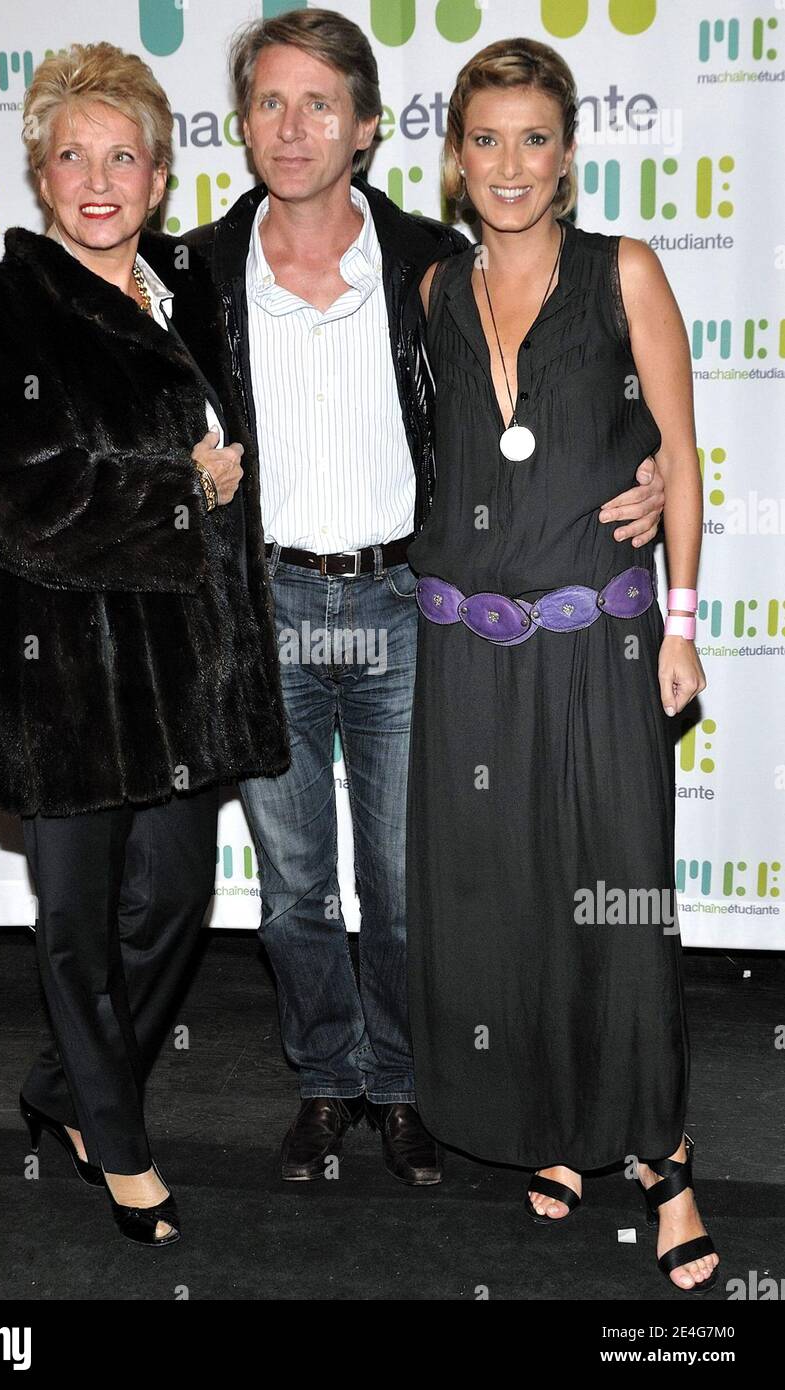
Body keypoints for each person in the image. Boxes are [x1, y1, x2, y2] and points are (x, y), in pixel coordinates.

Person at [145, 9, 666, 1188]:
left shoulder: (434, 259)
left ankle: (400, 1081)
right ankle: (325, 1078)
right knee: (291, 887)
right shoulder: (195, 271)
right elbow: (131, 410)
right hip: (268, 607)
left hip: (402, 604)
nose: (292, 127)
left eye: (318, 103)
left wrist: (647, 470)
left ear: (368, 128)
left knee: (404, 876)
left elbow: (556, 384)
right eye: (270, 103)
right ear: (239, 126)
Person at [0, 41, 289, 1247]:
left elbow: (231, 470)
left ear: (156, 173)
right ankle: (119, 1137)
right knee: (76, 919)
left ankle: (59, 1089)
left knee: (177, 901)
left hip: (183, 670)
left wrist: (219, 496)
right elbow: (24, 503)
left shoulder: (191, 293)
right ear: (40, 175)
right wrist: (183, 494)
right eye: (72, 155)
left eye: (122, 155)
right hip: (62, 671)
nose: (98, 179)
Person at [407, 36, 719, 1291]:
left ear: (569, 154)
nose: (508, 163)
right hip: (466, 654)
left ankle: (663, 1153)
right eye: (484, 138)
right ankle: (556, 1131)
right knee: (511, 900)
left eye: (533, 137)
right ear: (453, 157)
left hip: (601, 641)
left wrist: (683, 620)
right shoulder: (432, 289)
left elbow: (681, 459)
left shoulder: (623, 271)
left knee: (621, 900)